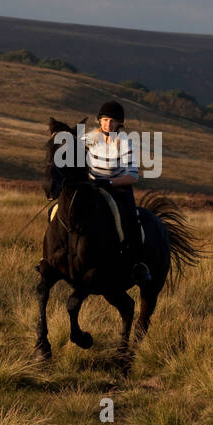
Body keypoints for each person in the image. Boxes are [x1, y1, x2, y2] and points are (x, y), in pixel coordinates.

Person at [82, 100, 152, 286]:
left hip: (118, 187)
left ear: (119, 123)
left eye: (112, 121)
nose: (108, 124)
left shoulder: (124, 142)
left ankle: (138, 264)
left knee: (131, 218)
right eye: (105, 120)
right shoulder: (88, 139)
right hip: (92, 186)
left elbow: (133, 176)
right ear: (99, 121)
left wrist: (110, 182)